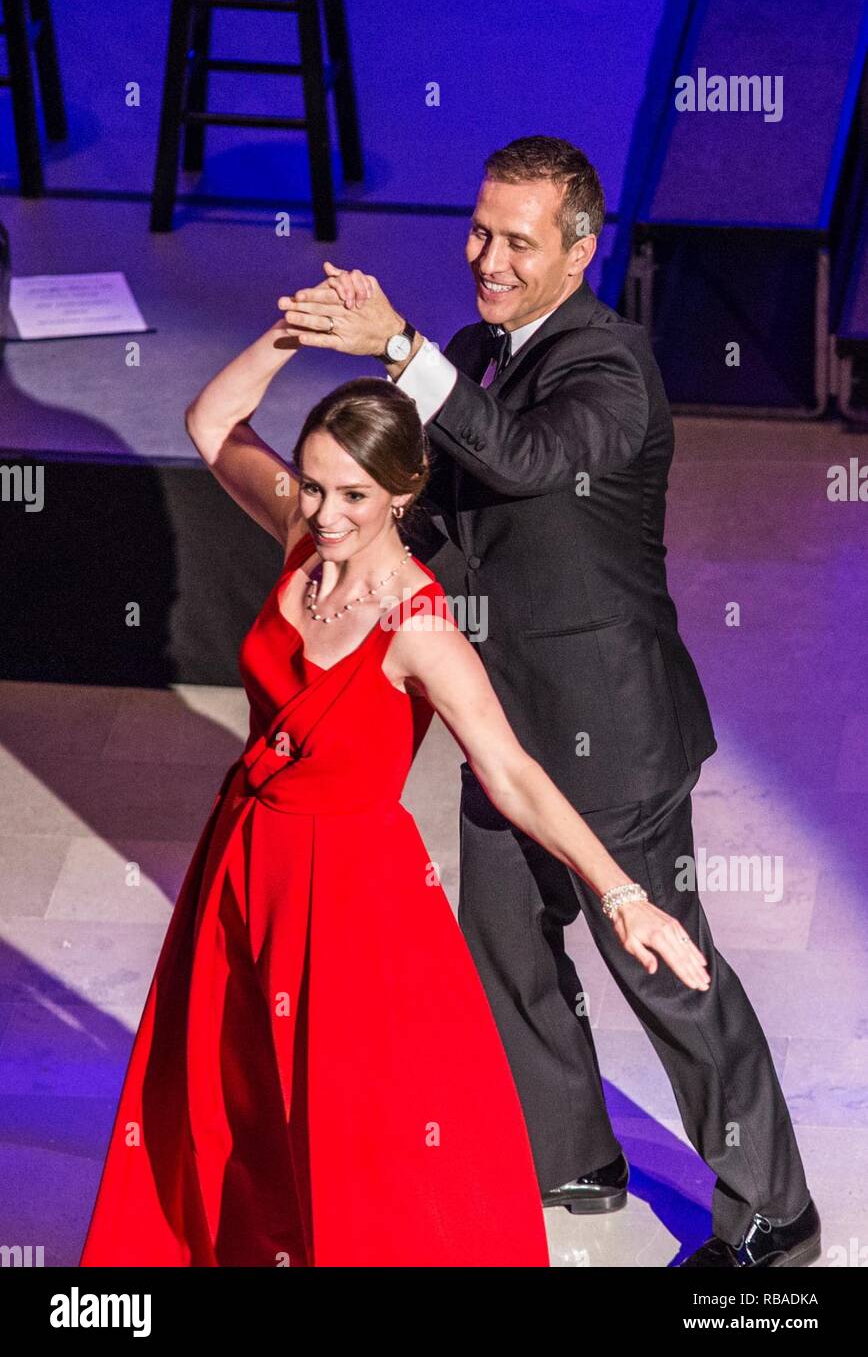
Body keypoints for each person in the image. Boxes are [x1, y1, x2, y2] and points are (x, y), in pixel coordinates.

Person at [277, 134, 821, 1268]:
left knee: (666, 969)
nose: (486, 257)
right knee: (506, 943)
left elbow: (523, 459)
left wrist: (400, 347)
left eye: (515, 241)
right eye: (478, 230)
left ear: (579, 250)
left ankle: (774, 1211)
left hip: (612, 731)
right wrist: (348, 549)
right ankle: (571, 1151)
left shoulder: (613, 366)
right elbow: (448, 501)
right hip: (504, 719)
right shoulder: (475, 349)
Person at [78, 314, 711, 1269]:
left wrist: (621, 895)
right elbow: (213, 425)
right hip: (243, 862)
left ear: (405, 492)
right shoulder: (302, 534)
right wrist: (288, 337)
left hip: (350, 896)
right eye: (317, 484)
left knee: (352, 1125)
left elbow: (513, 772)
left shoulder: (420, 627)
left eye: (354, 497)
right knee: (232, 1090)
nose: (327, 514)